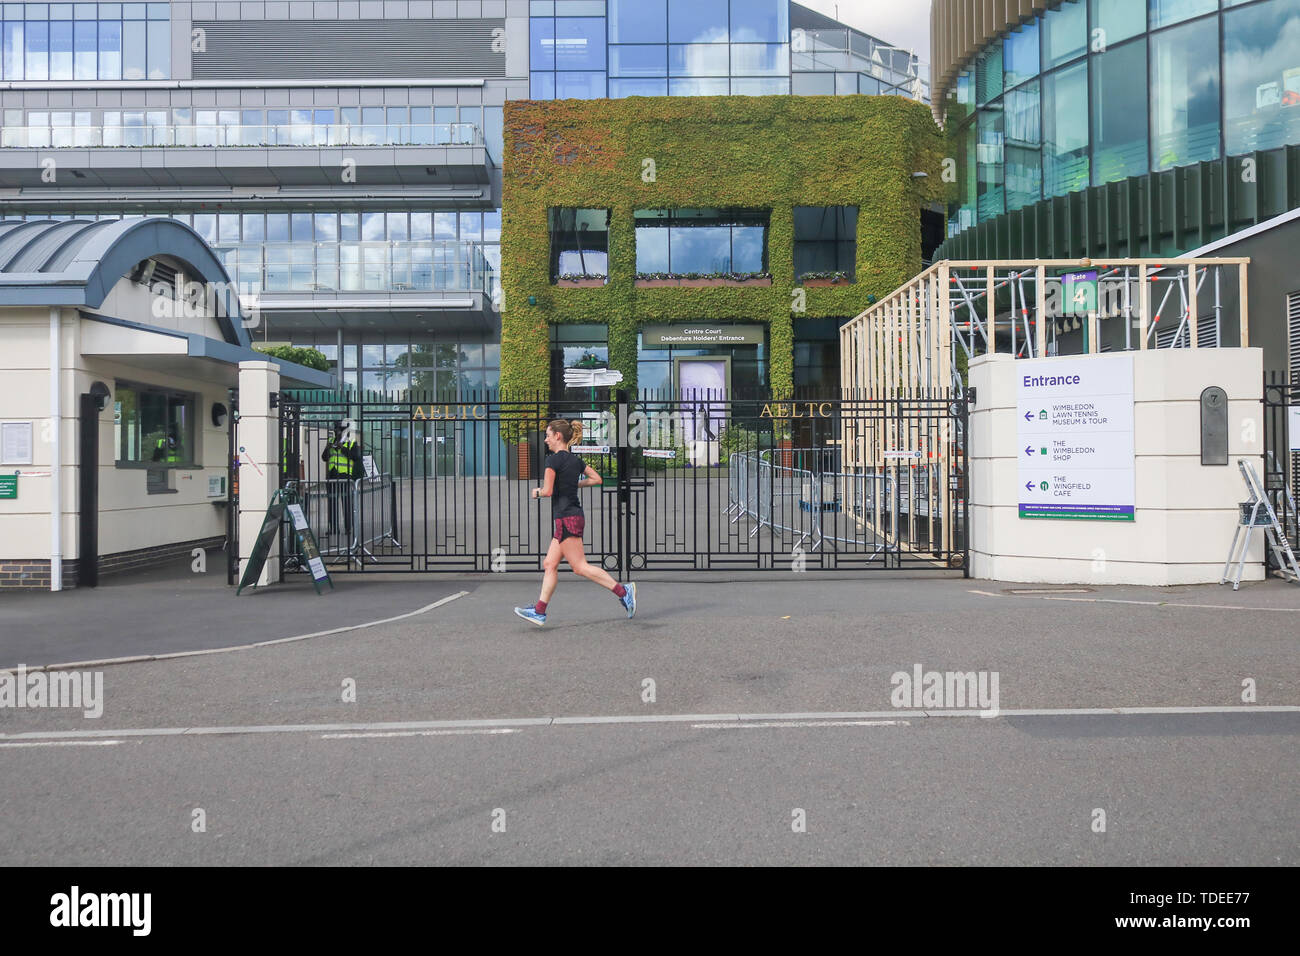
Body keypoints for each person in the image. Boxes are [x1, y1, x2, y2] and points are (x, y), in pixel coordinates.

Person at [514, 419, 636, 626]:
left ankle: (623, 591)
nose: (545, 439)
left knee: (580, 567)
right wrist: (574, 483)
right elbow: (597, 479)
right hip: (572, 516)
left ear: (558, 436)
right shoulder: (575, 461)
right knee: (550, 564)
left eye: (548, 435)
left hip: (566, 517)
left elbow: (548, 491)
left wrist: (537, 492)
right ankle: (539, 611)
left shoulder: (552, 460)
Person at [322, 419, 362, 537]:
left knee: (346, 503)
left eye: (339, 430)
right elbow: (324, 457)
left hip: (345, 476)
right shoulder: (330, 441)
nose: (337, 432)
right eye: (335, 430)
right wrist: (328, 448)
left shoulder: (351, 441)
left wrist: (342, 448)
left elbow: (355, 457)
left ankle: (348, 528)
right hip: (332, 475)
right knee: (332, 503)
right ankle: (333, 528)